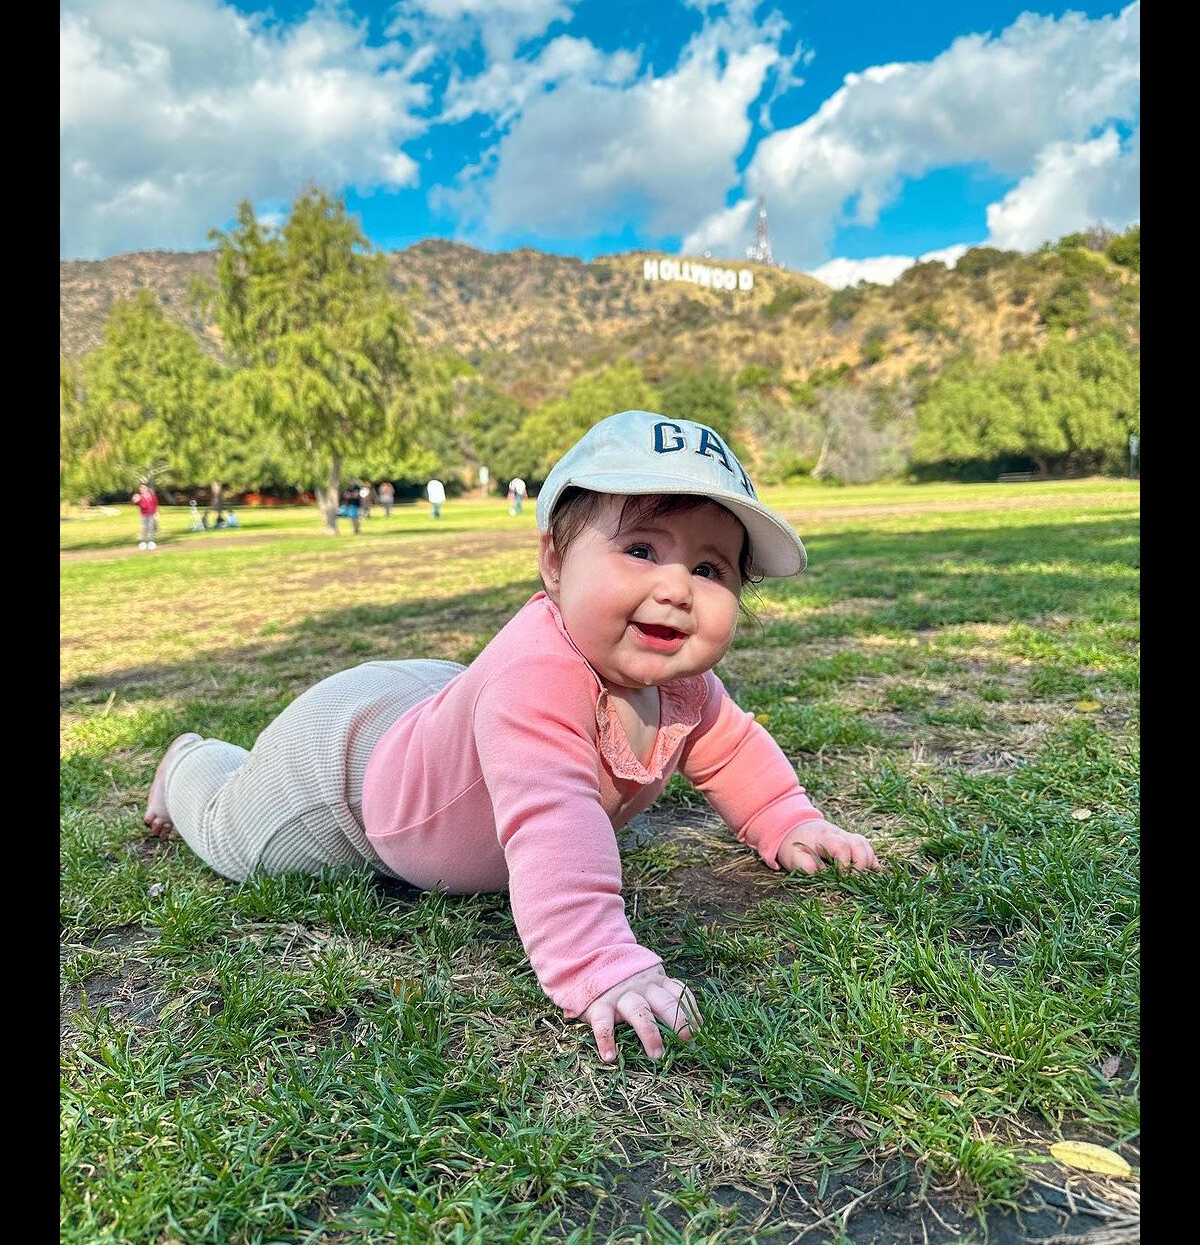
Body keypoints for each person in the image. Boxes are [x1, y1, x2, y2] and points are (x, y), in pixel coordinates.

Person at [144, 411, 878, 1064]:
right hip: (340, 775)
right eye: (642, 551)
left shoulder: (683, 683)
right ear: (554, 563)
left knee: (481, 708)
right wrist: (599, 959)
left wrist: (787, 820)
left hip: (439, 701)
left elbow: (732, 749)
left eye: (710, 568)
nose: (676, 588)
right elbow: (551, 815)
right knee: (233, 834)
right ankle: (188, 763)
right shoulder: (537, 682)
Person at [131, 481, 159, 550]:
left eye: (143, 488)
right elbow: (134, 502)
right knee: (144, 529)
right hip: (144, 515)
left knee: (151, 528)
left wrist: (157, 513)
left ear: (146, 488)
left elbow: (156, 504)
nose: (142, 489)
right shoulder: (139, 497)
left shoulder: (151, 495)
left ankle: (151, 541)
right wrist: (134, 499)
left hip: (152, 514)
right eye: (140, 488)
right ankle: (143, 542)